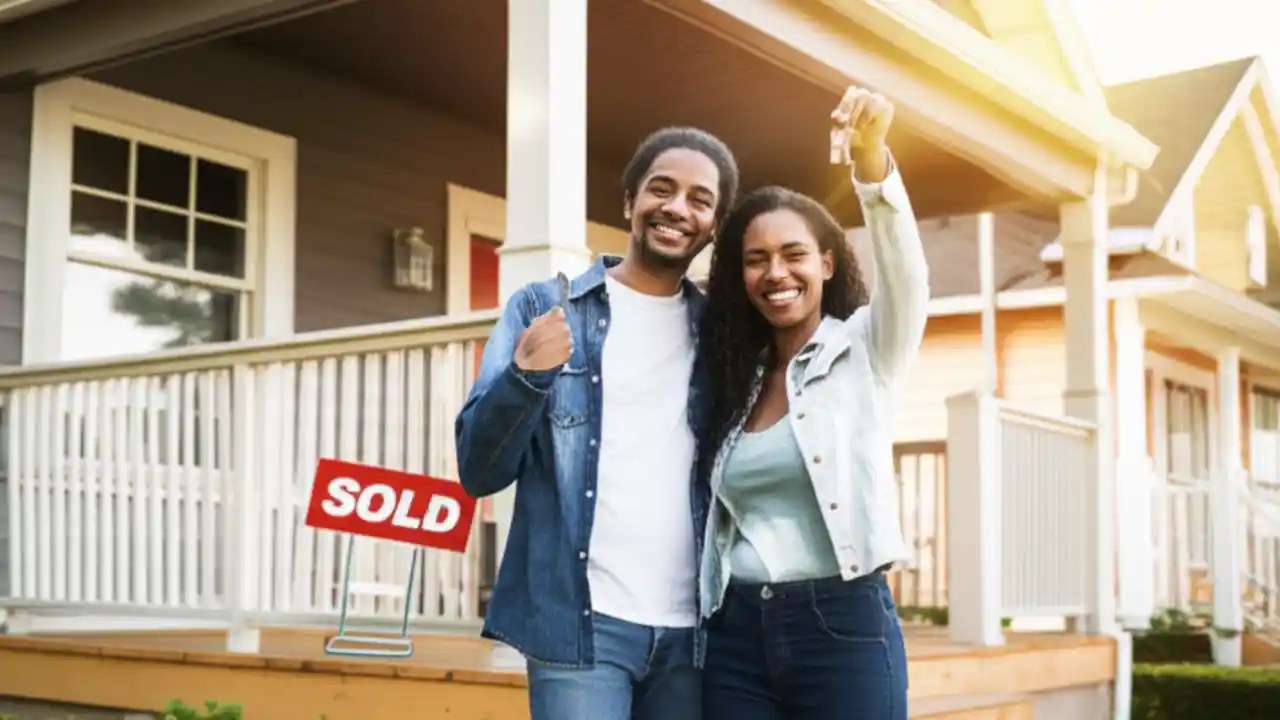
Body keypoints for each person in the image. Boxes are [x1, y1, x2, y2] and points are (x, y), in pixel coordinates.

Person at [454, 127, 739, 720]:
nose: (677, 208)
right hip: (580, 626)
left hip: (695, 631)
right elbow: (479, 471)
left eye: (699, 199)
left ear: (714, 225)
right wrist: (524, 377)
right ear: (630, 201)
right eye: (661, 189)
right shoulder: (543, 309)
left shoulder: (722, 333)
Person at [696, 86, 929, 720]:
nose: (776, 273)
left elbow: (906, 273)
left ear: (825, 263)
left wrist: (871, 162)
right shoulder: (734, 382)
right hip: (736, 629)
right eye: (756, 260)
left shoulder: (866, 350)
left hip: (842, 622)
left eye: (794, 255)